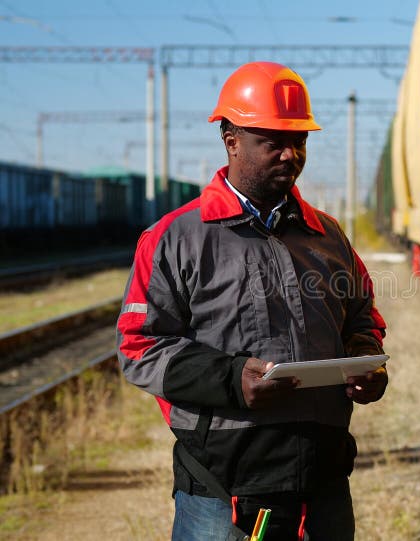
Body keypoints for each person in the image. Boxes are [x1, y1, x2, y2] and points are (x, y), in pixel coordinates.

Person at [116, 61, 387, 541]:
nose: (290, 154)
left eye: (299, 140)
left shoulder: (327, 235)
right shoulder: (174, 239)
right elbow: (139, 349)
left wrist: (365, 362)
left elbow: (362, 314)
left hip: (322, 480)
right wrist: (231, 379)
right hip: (223, 491)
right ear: (231, 139)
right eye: (272, 142)